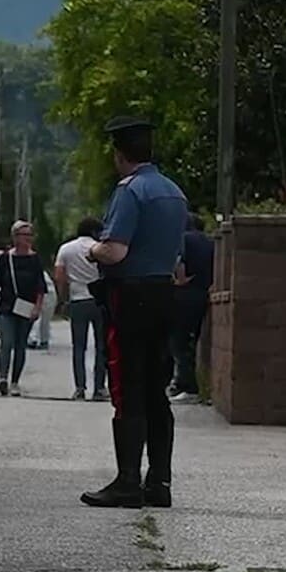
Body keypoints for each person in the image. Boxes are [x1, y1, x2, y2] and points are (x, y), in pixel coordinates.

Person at [79, 116, 188, 510]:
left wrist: (92, 249)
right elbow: (179, 259)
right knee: (157, 390)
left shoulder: (130, 191)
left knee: (127, 387)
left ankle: (127, 481)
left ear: (119, 153)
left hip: (130, 296)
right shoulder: (174, 193)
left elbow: (116, 250)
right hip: (164, 293)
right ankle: (159, 480)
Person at [0, 220, 47, 397]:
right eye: (24, 235)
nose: (28, 239)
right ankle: (3, 378)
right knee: (7, 343)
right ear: (15, 237)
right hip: (7, 307)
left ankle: (15, 382)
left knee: (21, 345)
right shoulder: (6, 258)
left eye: (30, 235)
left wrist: (37, 307)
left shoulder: (35, 259)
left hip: (26, 308)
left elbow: (40, 287)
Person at [55, 217, 109, 402]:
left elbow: (59, 276)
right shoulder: (100, 249)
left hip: (78, 301)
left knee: (79, 346)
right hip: (100, 301)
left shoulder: (66, 249)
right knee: (102, 346)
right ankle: (100, 387)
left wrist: (63, 300)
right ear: (95, 231)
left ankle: (80, 387)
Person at [168, 213, 215, 404]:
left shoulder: (183, 239)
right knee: (193, 339)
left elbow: (179, 260)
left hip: (185, 293)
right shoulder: (210, 242)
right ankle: (183, 383)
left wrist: (179, 280)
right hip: (202, 293)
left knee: (178, 341)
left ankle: (188, 386)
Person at [27, 271, 57, 351]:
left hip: (42, 293)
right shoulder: (42, 272)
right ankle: (44, 340)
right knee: (45, 320)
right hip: (50, 294)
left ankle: (34, 339)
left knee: (37, 318)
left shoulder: (30, 270)